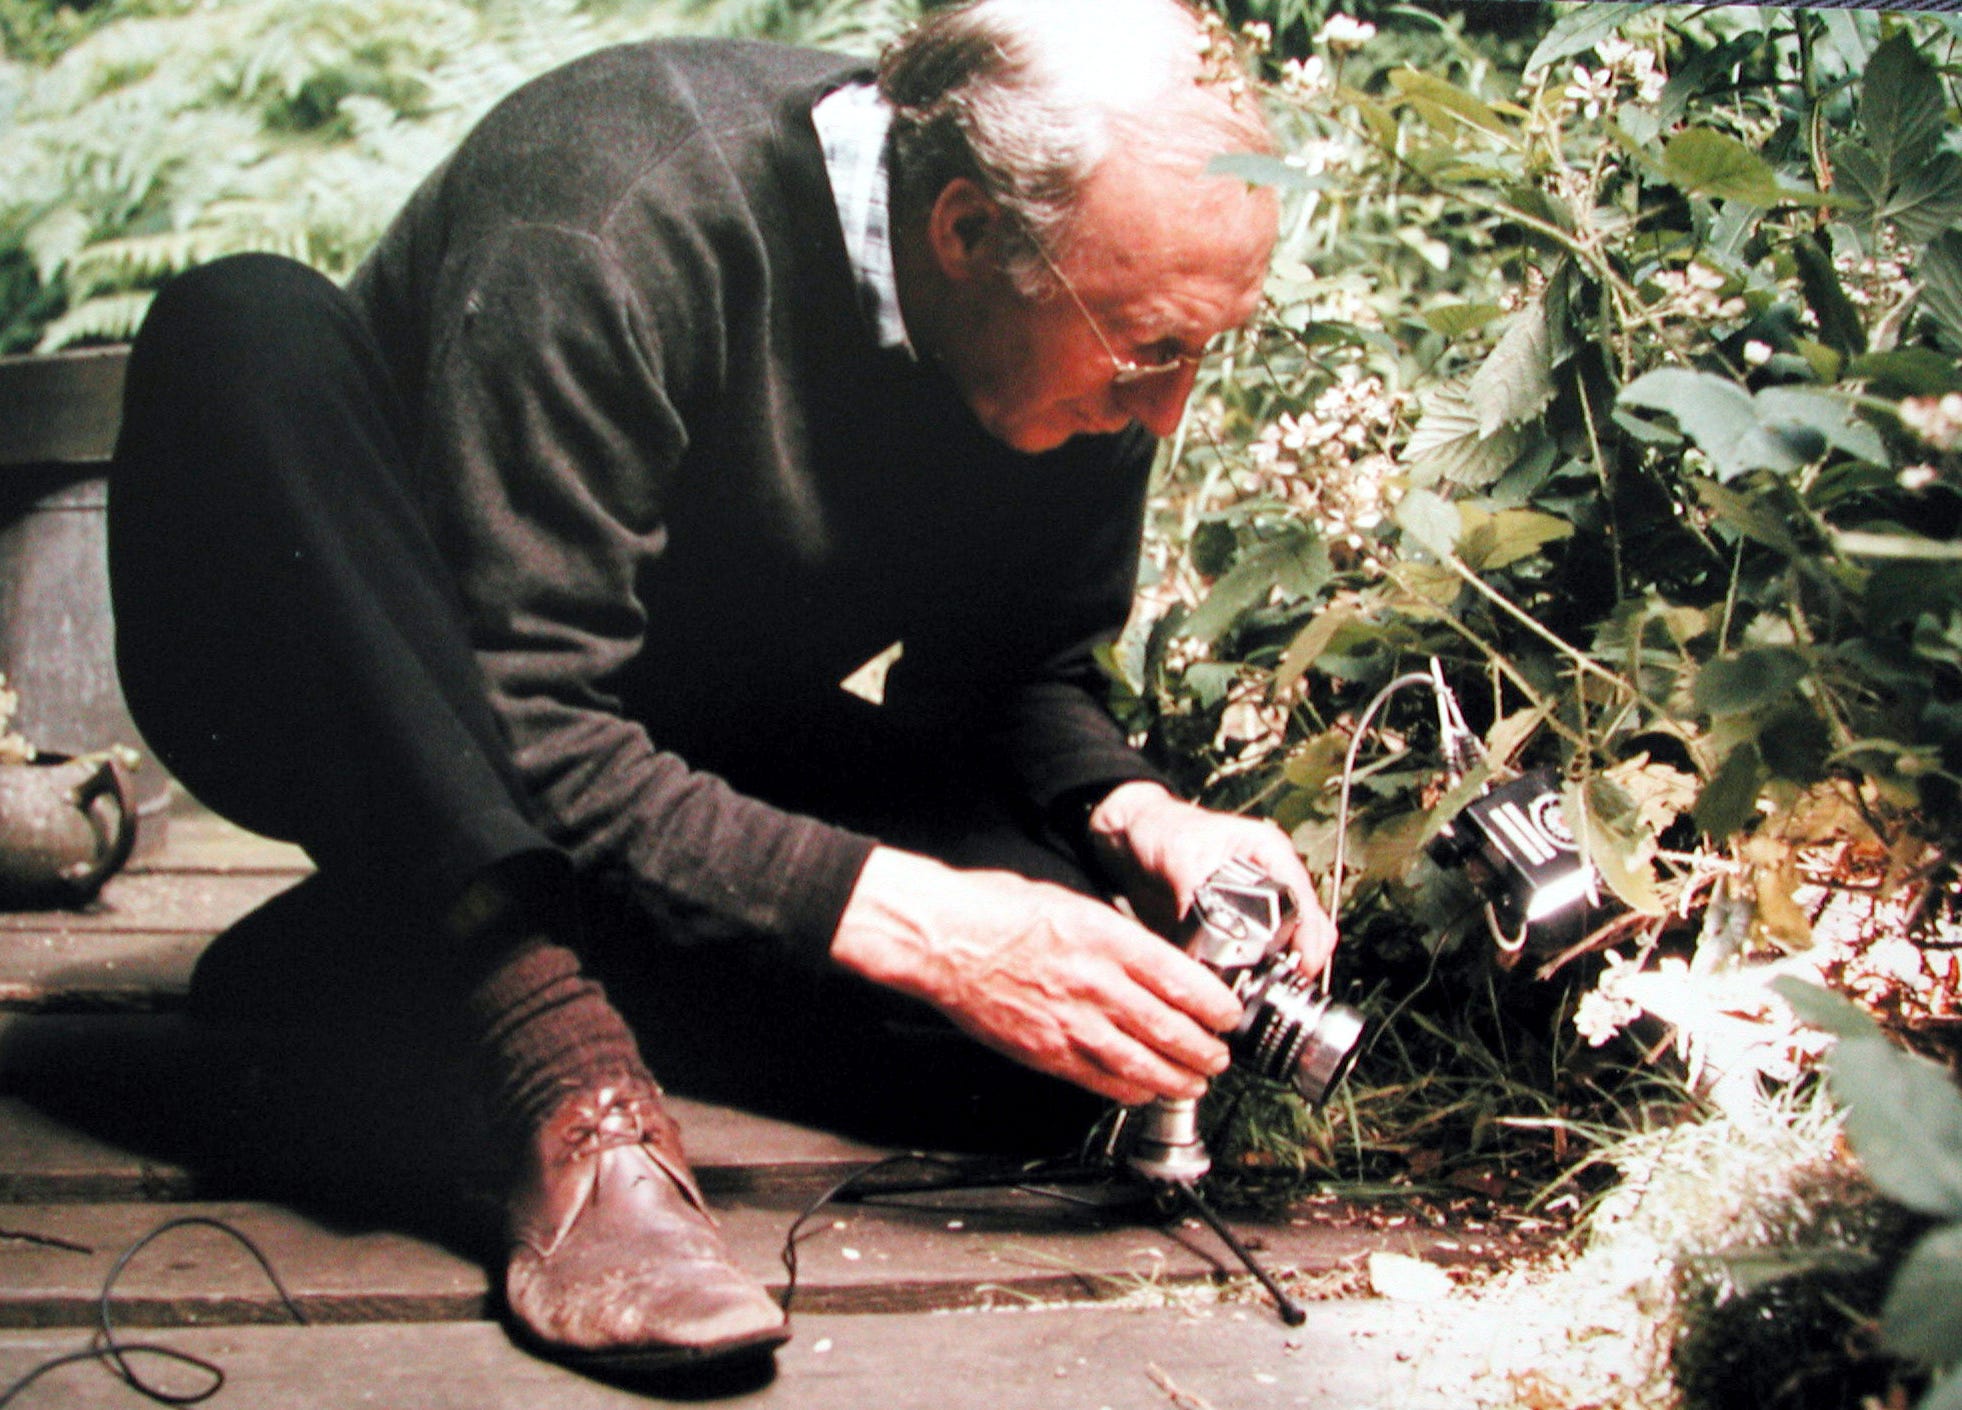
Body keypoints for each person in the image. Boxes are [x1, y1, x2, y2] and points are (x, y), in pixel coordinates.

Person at [106, 0, 1336, 1377]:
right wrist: (926, 926)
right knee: (242, 325)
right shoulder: (615, 203)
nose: (1167, 409)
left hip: (664, 725)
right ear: (965, 230)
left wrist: (1135, 811)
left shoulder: (1083, 308)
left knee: (1057, 1037)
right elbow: (533, 719)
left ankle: (388, 970)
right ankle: (548, 1055)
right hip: (378, 683)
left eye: (1198, 350)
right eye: (1149, 349)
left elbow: (1011, 670)